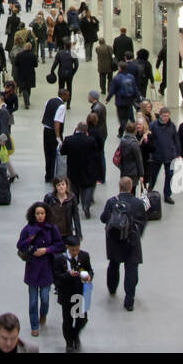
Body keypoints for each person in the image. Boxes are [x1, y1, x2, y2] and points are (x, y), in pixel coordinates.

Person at [17, 201, 66, 337]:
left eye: (42, 213)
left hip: (46, 267)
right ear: (33, 215)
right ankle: (34, 325)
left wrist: (46, 250)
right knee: (33, 301)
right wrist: (29, 241)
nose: (40, 216)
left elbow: (60, 246)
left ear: (46, 214)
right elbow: (19, 245)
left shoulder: (52, 228)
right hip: (32, 268)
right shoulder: (28, 229)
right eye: (37, 213)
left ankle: (43, 314)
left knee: (45, 298)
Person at [99, 177, 147, 310]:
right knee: (131, 269)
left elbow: (103, 218)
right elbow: (143, 221)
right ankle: (129, 300)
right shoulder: (138, 203)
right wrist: (137, 235)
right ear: (131, 188)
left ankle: (112, 288)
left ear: (119, 187)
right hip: (132, 241)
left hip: (114, 240)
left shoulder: (112, 202)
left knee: (114, 265)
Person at [55, 234, 94, 352]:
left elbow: (90, 270)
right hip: (66, 294)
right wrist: (67, 275)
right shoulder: (59, 259)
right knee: (67, 320)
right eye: (72, 250)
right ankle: (69, 343)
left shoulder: (84, 256)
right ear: (67, 247)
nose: (75, 252)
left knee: (82, 319)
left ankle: (75, 335)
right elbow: (56, 277)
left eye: (77, 249)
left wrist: (89, 276)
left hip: (81, 293)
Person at [60, 121, 100, 220]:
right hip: (87, 169)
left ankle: (75, 203)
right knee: (87, 187)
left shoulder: (69, 140)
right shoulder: (91, 140)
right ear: (86, 130)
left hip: (73, 169)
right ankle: (86, 205)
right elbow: (96, 152)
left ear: (77, 128)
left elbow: (62, 151)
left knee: (74, 187)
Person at [147, 107, 180, 205]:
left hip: (169, 155)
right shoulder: (153, 125)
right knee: (153, 175)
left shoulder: (172, 126)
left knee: (169, 175)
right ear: (160, 115)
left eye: (167, 116)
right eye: (164, 116)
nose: (166, 118)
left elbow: (176, 139)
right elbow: (149, 140)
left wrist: (178, 152)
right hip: (157, 155)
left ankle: (167, 195)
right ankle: (149, 190)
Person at [40, 89, 68, 183]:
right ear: (63, 95)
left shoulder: (49, 101)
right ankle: (54, 176)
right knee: (54, 155)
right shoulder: (62, 106)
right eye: (67, 95)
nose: (68, 97)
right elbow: (57, 121)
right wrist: (58, 137)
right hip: (53, 132)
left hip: (46, 130)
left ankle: (48, 175)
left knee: (47, 153)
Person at [108, 61, 140, 137]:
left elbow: (112, 90)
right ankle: (132, 130)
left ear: (119, 68)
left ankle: (127, 131)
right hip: (129, 101)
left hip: (120, 102)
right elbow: (135, 88)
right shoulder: (131, 77)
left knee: (122, 118)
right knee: (129, 116)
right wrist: (138, 99)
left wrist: (108, 99)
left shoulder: (117, 78)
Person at [114, 124, 145, 194]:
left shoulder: (122, 141)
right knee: (132, 189)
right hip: (133, 170)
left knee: (124, 188)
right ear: (135, 131)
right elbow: (139, 160)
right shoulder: (134, 144)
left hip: (124, 168)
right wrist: (141, 174)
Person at [13, 41, 38, 109]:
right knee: (28, 87)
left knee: (23, 87)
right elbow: (36, 65)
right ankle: (27, 100)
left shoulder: (19, 55)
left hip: (21, 73)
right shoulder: (33, 55)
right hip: (30, 73)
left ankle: (26, 101)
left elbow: (15, 64)